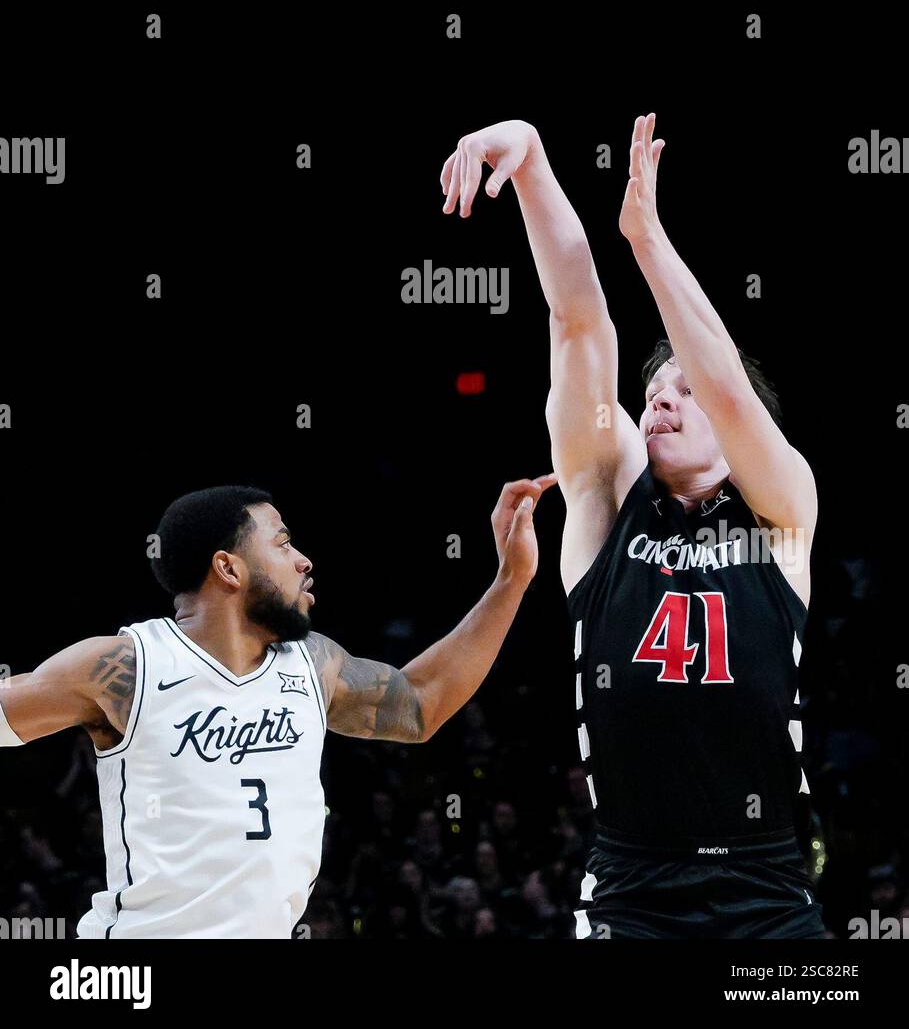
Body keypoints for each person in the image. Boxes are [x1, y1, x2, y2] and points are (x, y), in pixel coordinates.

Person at [440, 114, 825, 939]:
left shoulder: (781, 508)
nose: (659, 396)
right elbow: (577, 323)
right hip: (629, 883)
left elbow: (726, 386)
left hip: (765, 883)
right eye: (654, 388)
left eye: (680, 391)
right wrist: (534, 162)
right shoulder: (607, 500)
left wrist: (648, 242)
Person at [0, 474, 554, 938]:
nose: (304, 560)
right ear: (229, 568)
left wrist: (512, 580)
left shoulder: (312, 665)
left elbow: (420, 705)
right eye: (283, 543)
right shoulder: (129, 666)